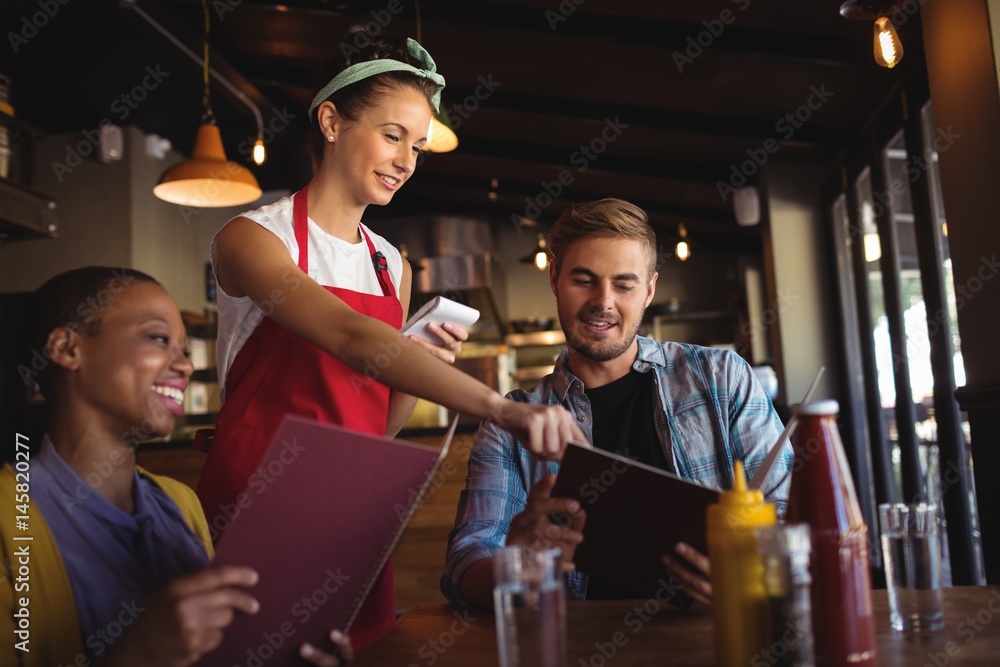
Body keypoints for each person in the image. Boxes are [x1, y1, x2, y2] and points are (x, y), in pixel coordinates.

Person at [195, 32, 585, 648]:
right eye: (392, 134)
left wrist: (420, 358)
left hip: (352, 507)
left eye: (418, 145)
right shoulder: (253, 239)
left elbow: (378, 424)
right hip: (258, 497)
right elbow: (352, 338)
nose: (407, 159)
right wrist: (499, 406)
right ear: (330, 121)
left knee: (359, 651)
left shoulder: (389, 264)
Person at [441, 199, 793, 608]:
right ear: (554, 277)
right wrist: (515, 564)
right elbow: (465, 565)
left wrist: (745, 573)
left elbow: (787, 515)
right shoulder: (511, 422)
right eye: (584, 280)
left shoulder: (722, 378)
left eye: (623, 285)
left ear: (649, 290)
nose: (603, 302)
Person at [0, 267, 353, 667]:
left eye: (183, 348)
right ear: (66, 348)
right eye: (158, 339)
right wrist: (139, 654)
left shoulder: (180, 502)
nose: (183, 365)